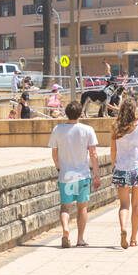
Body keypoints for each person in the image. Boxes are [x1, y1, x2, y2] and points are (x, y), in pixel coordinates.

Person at [48, 100, 100, 248]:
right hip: (82, 175)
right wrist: (97, 175)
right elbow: (93, 154)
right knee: (82, 207)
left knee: (65, 207)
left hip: (65, 175)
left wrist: (59, 167)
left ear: (66, 113)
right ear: (80, 113)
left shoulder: (58, 129)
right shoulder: (87, 130)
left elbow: (54, 152)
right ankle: (80, 239)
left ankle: (65, 229)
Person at [110, 97, 138, 249]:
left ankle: (123, 228)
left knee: (124, 204)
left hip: (121, 168)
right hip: (137, 167)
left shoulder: (115, 126)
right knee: (136, 204)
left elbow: (113, 150)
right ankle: (133, 238)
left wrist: (113, 165)